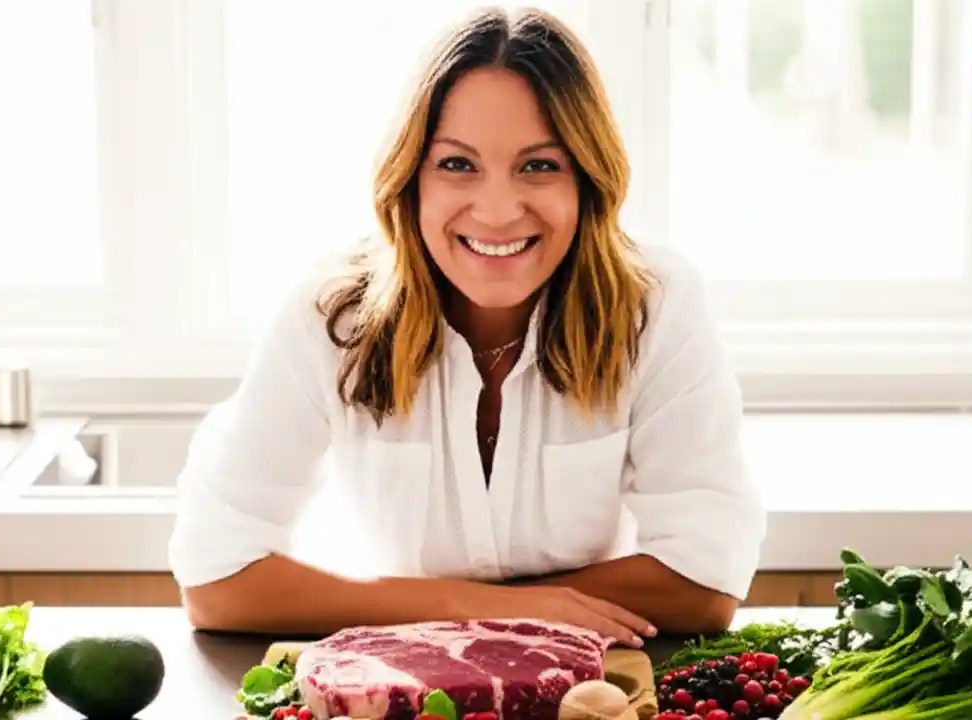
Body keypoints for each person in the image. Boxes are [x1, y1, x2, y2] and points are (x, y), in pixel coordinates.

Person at [168, 6, 766, 647]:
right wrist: (487, 608)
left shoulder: (653, 310)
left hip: (588, 691)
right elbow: (216, 578)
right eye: (457, 165)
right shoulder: (331, 320)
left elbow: (704, 582)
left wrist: (442, 608)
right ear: (411, 180)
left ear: (588, 182)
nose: (499, 209)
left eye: (539, 165)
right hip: (407, 688)